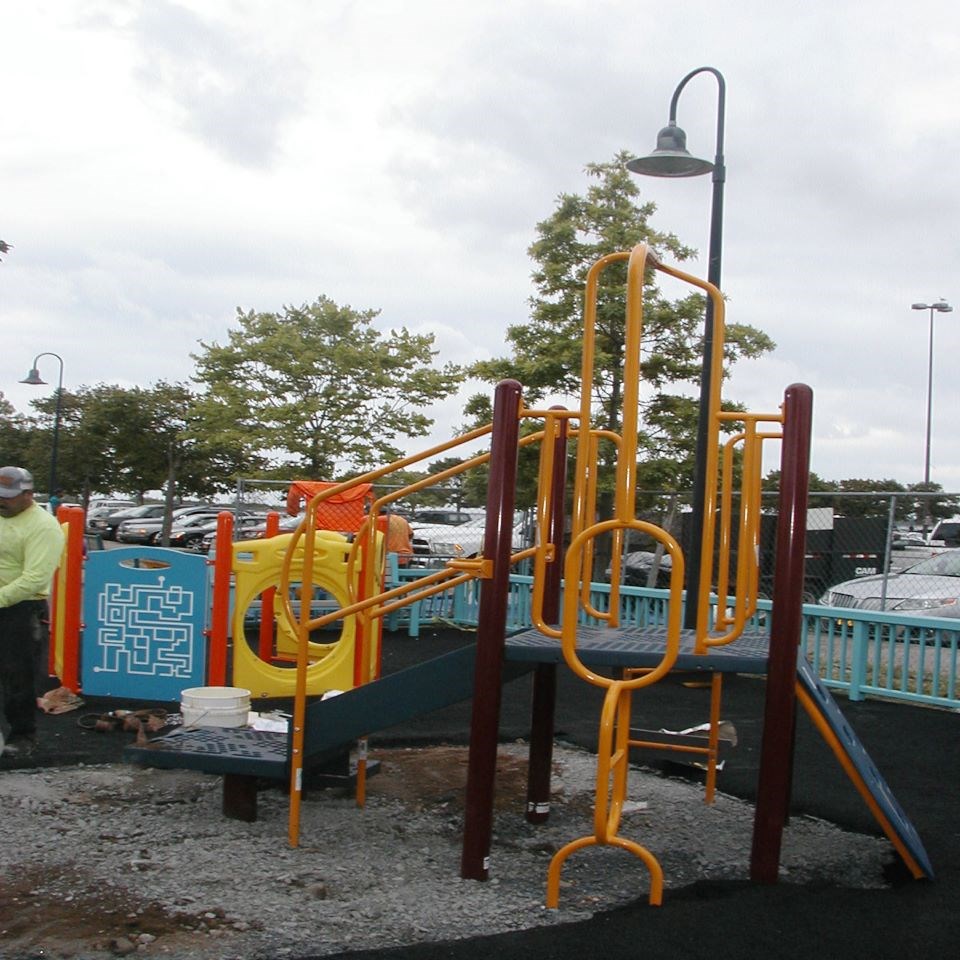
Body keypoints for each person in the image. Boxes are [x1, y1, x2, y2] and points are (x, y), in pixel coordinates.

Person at [0, 466, 65, 757]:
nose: (2, 501)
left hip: (22, 609)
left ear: (28, 495)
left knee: (19, 675)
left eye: (8, 497)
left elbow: (34, 579)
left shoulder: (43, 526)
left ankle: (24, 735)